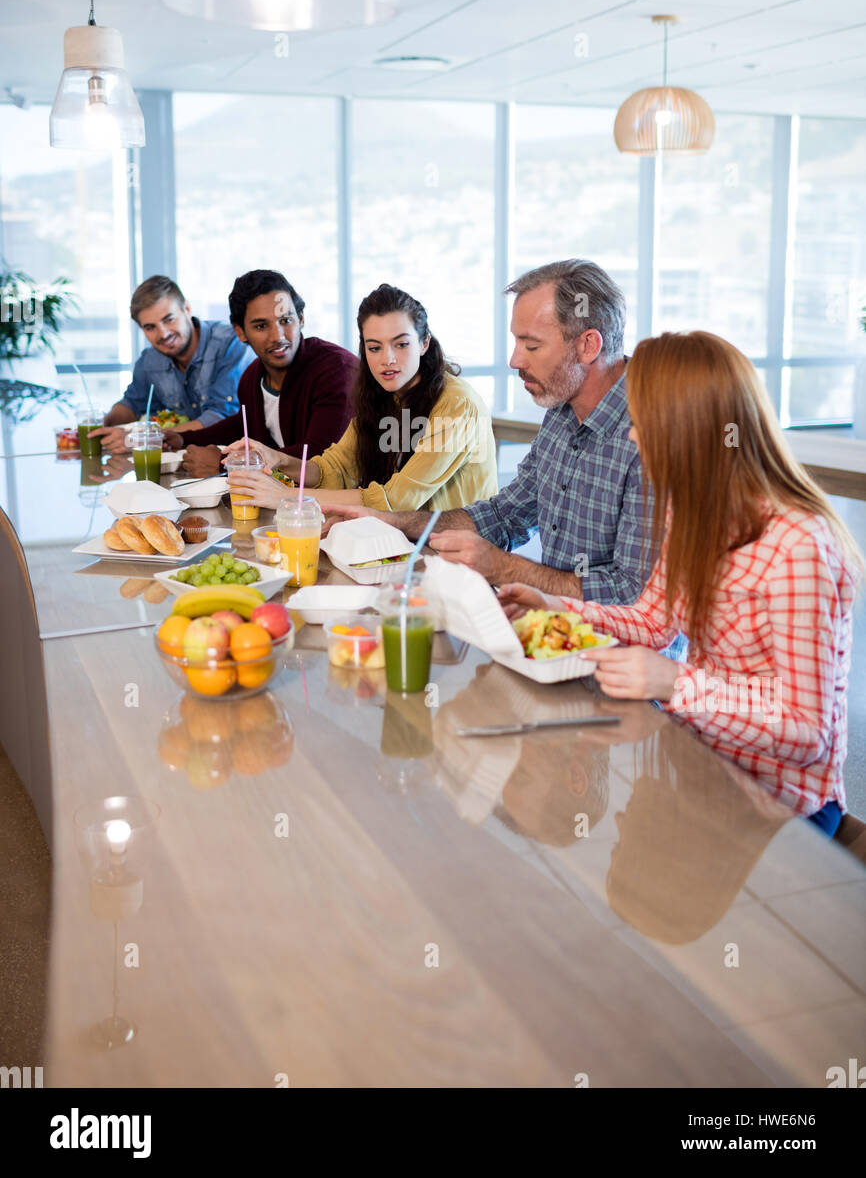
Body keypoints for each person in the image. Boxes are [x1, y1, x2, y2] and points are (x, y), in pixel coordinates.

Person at [498, 331, 863, 834]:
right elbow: (652, 621)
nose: (631, 436)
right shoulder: (687, 507)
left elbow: (807, 730)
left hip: (781, 808)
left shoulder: (798, 545)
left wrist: (675, 683)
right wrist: (557, 606)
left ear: (689, 428)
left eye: (642, 422)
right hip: (702, 766)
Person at [319, 261, 652, 604]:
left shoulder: (653, 438)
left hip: (623, 652)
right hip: (557, 629)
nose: (514, 360)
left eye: (532, 345)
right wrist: (387, 520)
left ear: (588, 346)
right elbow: (502, 516)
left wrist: (506, 568)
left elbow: (631, 594)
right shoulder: (561, 415)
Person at [224, 283, 498, 511]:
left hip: (456, 556)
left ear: (424, 342)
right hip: (400, 544)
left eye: (401, 344)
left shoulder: (457, 404)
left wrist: (287, 497)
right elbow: (335, 470)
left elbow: (397, 500)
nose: (387, 360)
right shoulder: (381, 396)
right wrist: (277, 459)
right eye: (374, 347)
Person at [164, 270, 357, 478]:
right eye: (261, 326)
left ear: (301, 319)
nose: (278, 336)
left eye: (286, 320)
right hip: (288, 500)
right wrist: (184, 439)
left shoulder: (337, 370)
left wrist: (227, 464)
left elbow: (320, 458)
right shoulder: (251, 378)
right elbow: (244, 423)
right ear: (240, 332)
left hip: (355, 502)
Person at [88, 276, 253, 454]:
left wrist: (138, 437)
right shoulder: (149, 360)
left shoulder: (230, 343)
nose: (163, 333)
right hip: (187, 457)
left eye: (169, 319)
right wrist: (104, 423)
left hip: (240, 457)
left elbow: (219, 416)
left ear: (187, 309)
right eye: (150, 327)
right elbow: (131, 404)